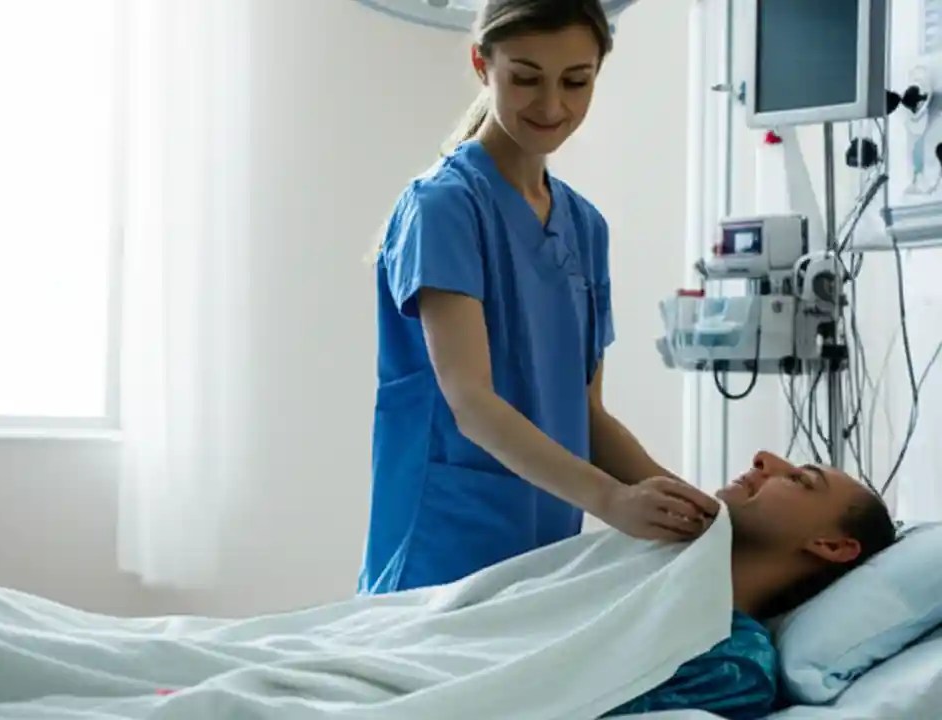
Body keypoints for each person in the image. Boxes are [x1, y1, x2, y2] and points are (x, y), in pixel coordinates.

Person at [362, 0, 720, 595]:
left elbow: (586, 413)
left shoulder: (585, 226)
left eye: (575, 81)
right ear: (483, 64)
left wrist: (698, 515)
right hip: (441, 549)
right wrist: (611, 500)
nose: (552, 106)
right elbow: (470, 402)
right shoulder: (445, 207)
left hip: (544, 552)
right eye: (525, 78)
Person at [606, 451, 898, 719]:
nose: (762, 458)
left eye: (800, 480)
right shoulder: (654, 548)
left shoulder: (732, 666)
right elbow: (601, 441)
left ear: (832, 545)